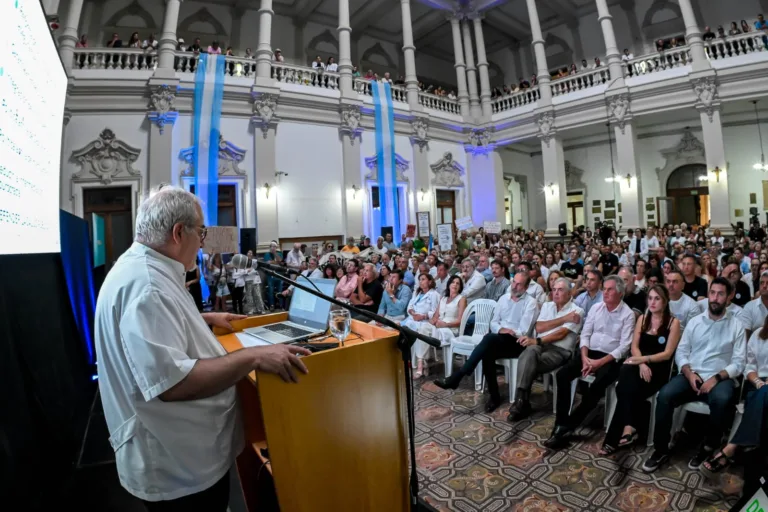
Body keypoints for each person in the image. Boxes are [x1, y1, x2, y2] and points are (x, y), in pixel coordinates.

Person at [94, 187, 310, 510]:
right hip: (176, 464)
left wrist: (206, 317)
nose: (204, 241)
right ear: (179, 233)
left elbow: (160, 328)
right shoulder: (148, 286)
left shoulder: (143, 267)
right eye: (202, 231)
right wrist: (253, 356)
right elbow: (174, 382)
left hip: (179, 452)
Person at [642, 278, 746, 473]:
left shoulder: (736, 325)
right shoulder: (695, 322)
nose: (715, 298)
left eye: (720, 294)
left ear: (728, 297)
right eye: (712, 293)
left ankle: (708, 447)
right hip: (692, 375)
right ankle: (661, 448)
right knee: (664, 396)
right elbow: (681, 352)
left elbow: (739, 362)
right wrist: (689, 373)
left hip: (719, 378)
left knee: (723, 399)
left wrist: (716, 378)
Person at [545, 276, 636, 449]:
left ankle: (568, 426)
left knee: (596, 387)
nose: (605, 292)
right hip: (589, 352)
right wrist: (585, 357)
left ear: (620, 293)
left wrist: (599, 363)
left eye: (609, 289)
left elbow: (624, 347)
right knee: (562, 375)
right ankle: (561, 422)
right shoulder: (596, 308)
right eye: (605, 289)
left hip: (610, 358)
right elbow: (585, 334)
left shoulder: (627, 314)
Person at [434, 273, 537, 413]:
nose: (514, 286)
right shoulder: (503, 299)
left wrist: (508, 331)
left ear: (525, 287)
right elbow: (493, 322)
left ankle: (458, 378)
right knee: (487, 351)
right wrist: (501, 329)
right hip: (499, 338)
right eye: (514, 282)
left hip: (518, 343)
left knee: (489, 339)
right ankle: (494, 396)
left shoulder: (530, 302)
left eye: (519, 284)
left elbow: (524, 330)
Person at [600, 285, 681, 455]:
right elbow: (634, 347)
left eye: (657, 299)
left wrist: (644, 360)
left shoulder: (673, 323)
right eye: (650, 298)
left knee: (623, 387)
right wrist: (641, 363)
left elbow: (667, 354)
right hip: (640, 366)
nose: (652, 302)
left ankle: (615, 437)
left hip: (657, 370)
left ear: (665, 302)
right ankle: (626, 430)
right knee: (627, 373)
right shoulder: (643, 319)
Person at [700, 312, 768, 478]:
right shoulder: (759, 334)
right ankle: (744, 449)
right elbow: (749, 367)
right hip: (756, 383)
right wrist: (759, 382)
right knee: (762, 394)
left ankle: (731, 447)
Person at [507, 277, 584, 421]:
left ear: (569, 294)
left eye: (560, 290)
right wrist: (564, 319)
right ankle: (522, 400)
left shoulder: (577, 311)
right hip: (541, 347)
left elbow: (561, 334)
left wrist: (537, 340)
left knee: (529, 355)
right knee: (530, 351)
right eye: (554, 289)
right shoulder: (548, 306)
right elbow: (539, 327)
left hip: (560, 351)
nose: (556, 293)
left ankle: (521, 401)